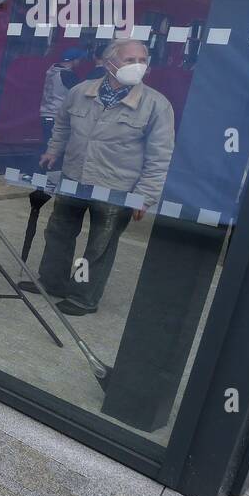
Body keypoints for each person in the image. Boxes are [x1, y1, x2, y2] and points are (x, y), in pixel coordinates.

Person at [20, 39, 175, 316]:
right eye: (130, 60)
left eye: (143, 59)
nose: (138, 65)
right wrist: (53, 151)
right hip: (74, 176)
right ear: (109, 62)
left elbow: (160, 156)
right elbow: (63, 124)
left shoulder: (156, 105)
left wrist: (145, 196)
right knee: (59, 231)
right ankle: (52, 282)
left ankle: (82, 297)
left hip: (116, 187)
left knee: (99, 246)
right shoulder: (80, 92)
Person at [37, 47, 101, 145]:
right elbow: (81, 92)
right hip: (57, 115)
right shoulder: (67, 75)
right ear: (74, 60)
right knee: (54, 147)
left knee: (47, 145)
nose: (80, 62)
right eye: (79, 59)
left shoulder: (53, 71)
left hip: (46, 113)